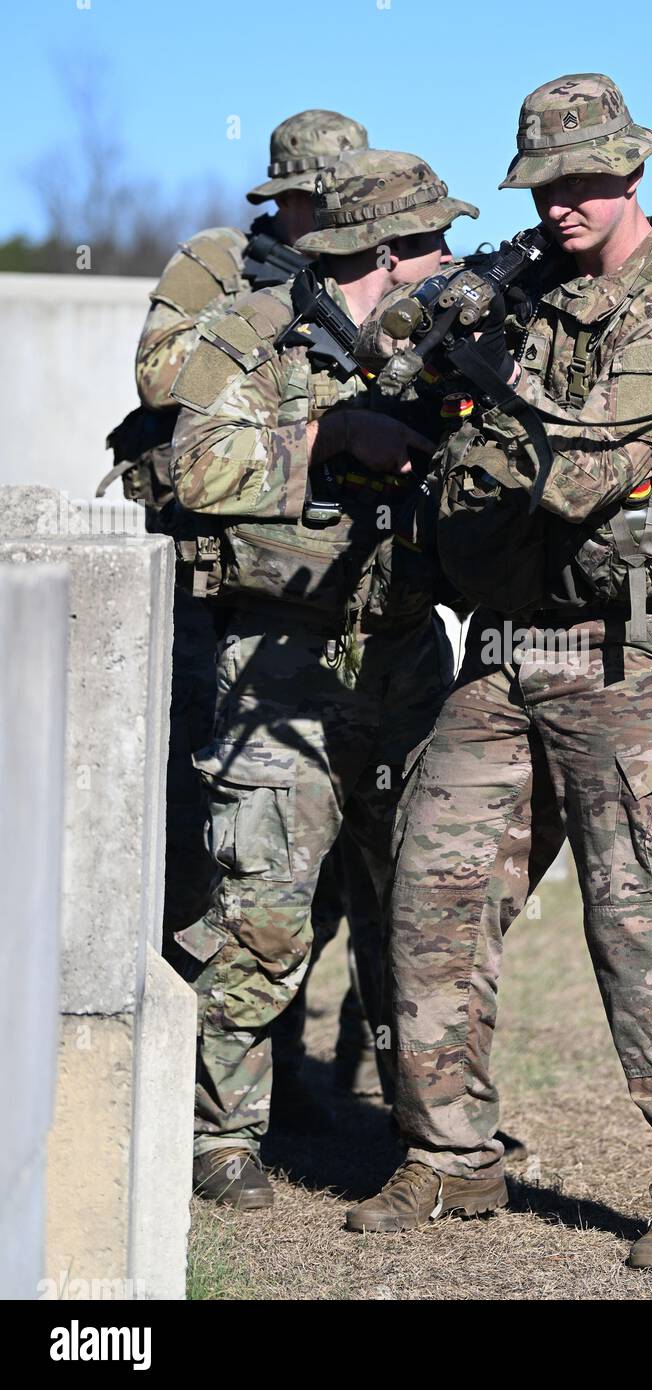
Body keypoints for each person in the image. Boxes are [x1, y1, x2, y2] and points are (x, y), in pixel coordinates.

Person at [347, 74, 652, 1273]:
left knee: (638, 931)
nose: (561, 206)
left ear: (632, 173)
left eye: (582, 182)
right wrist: (433, 320)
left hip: (622, 662)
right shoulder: (520, 279)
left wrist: (475, 384)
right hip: (503, 651)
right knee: (429, 896)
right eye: (544, 185)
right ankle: (449, 1154)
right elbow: (388, 359)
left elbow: (575, 475)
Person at [167, 149, 475, 1208]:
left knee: (422, 904)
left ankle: (427, 1131)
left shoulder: (447, 342)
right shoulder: (253, 332)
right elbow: (194, 469)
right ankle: (222, 1133)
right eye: (433, 245)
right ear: (382, 255)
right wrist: (328, 435)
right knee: (259, 904)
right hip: (284, 655)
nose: (452, 262)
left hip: (404, 652)